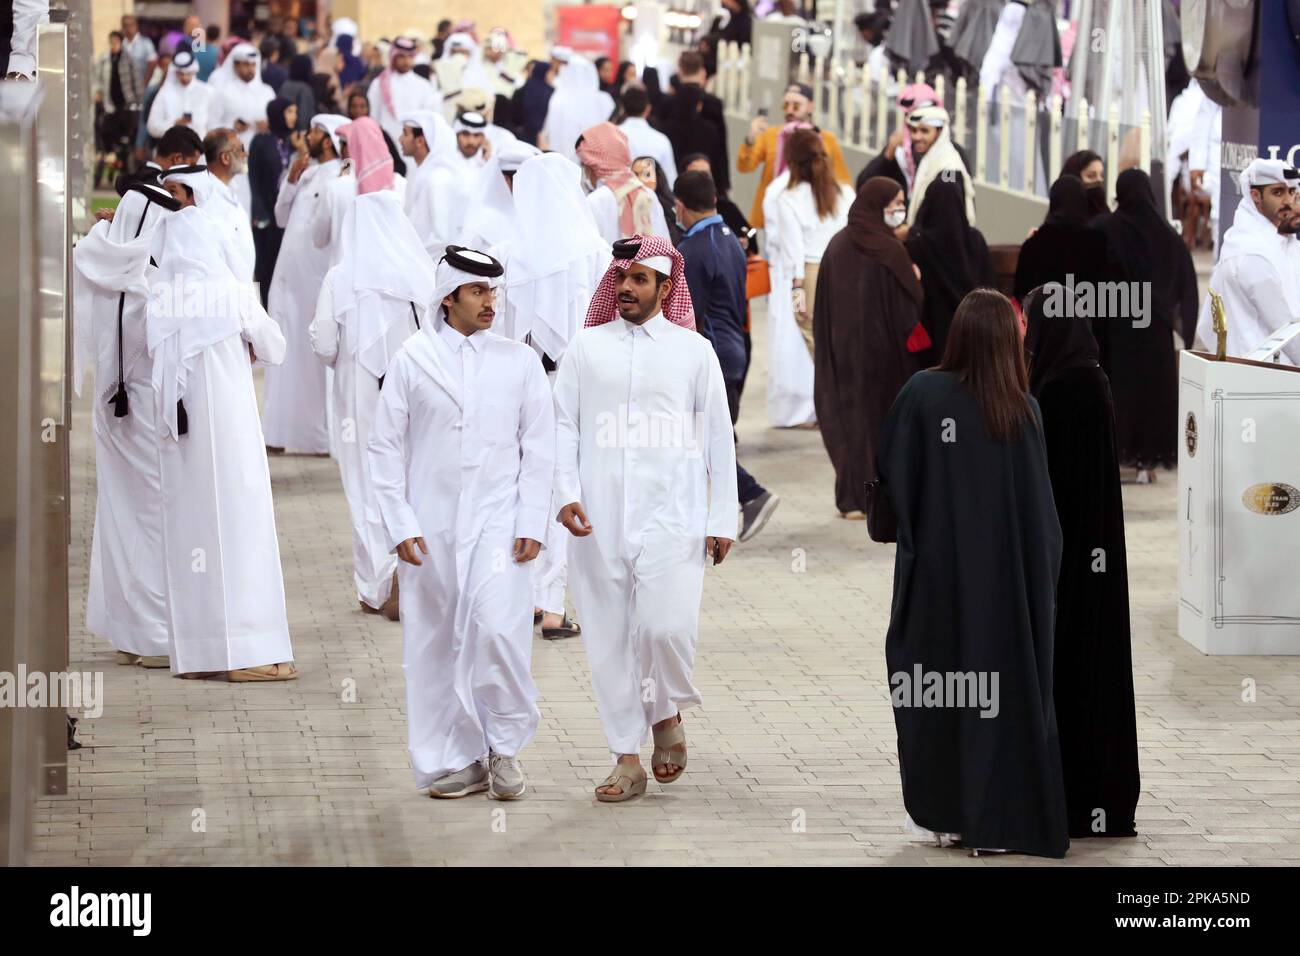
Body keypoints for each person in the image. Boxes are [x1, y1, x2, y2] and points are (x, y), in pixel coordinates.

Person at [877, 287, 1069, 858]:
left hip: (938, 582)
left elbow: (891, 479)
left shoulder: (922, 394)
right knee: (1001, 696)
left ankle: (945, 812)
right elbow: (1043, 519)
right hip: (1005, 592)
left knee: (937, 693)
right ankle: (999, 820)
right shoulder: (1022, 409)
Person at [553, 236, 737, 802]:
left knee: (664, 628)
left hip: (673, 514)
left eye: (640, 278)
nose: (626, 287)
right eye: (621, 277)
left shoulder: (693, 351)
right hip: (598, 516)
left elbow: (719, 436)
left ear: (666, 286)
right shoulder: (585, 348)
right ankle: (625, 757)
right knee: (609, 638)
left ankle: (665, 715)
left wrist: (722, 514)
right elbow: (561, 425)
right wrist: (563, 493)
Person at [367, 243, 553, 800]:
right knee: (440, 644)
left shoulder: (518, 361)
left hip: (500, 524)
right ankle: (460, 757)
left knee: (497, 631)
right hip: (431, 527)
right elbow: (382, 448)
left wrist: (533, 520)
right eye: (477, 291)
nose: (488, 301)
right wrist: (398, 523)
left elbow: (540, 446)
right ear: (448, 298)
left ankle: (504, 748)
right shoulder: (412, 358)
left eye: (492, 290)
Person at [152, 165, 296, 681]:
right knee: (240, 527)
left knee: (192, 533)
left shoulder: (162, 299)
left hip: (181, 438)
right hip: (229, 432)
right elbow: (275, 347)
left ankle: (197, 653)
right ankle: (246, 654)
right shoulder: (230, 293)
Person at [1022, 283, 1140, 841]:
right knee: (1097, 669)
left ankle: (1074, 799)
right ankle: (1103, 799)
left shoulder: (1063, 387)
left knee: (1071, 668)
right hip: (1096, 558)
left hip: (1068, 557)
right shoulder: (1089, 375)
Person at [310, 123, 428, 619]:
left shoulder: (341, 277)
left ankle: (375, 584)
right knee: (409, 477)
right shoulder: (418, 272)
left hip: (358, 397)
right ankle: (414, 574)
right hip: (411, 391)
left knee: (364, 481)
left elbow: (324, 343)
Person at [73, 176, 182, 669]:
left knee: (118, 515)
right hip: (147, 407)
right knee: (155, 516)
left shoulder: (98, 258)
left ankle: (127, 629)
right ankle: (156, 633)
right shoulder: (157, 277)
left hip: (108, 405)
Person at [676, 170, 780, 542]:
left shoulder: (693, 249)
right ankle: (747, 497)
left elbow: (691, 314)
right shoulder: (729, 240)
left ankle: (751, 494)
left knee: (700, 437)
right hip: (734, 349)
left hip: (714, 355)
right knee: (706, 436)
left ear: (680, 206)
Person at [814, 177, 926, 519]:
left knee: (851, 419)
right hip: (885, 357)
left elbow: (822, 307)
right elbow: (910, 308)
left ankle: (853, 497)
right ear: (879, 207)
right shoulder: (891, 251)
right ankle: (882, 496)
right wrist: (915, 278)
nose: (898, 210)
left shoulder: (836, 246)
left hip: (843, 353)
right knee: (882, 421)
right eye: (894, 203)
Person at [1094, 169, 1199, 478]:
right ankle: (1147, 461)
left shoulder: (1105, 229)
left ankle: (1118, 455)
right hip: (1156, 333)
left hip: (1118, 331)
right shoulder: (1168, 235)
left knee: (1120, 393)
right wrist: (1186, 333)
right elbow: (1187, 287)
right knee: (1152, 396)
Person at [261, 113, 348, 457]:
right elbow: (281, 218)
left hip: (314, 282)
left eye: (313, 132)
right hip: (288, 281)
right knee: (284, 356)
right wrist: (292, 181)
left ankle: (320, 438)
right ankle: (279, 430)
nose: (306, 136)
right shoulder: (307, 172)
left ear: (327, 140)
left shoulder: (341, 178)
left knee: (313, 360)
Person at [1195, 159, 1300, 363]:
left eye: (1291, 192)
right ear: (1255, 196)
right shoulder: (1252, 252)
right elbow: (1285, 331)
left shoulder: (1278, 242)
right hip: (1259, 374)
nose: (1287, 201)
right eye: (1278, 192)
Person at [772, 129, 855, 356]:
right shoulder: (846, 193)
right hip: (848, 272)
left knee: (815, 340)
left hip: (811, 276)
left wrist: (798, 298)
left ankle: (829, 388)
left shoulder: (788, 199)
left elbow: (794, 253)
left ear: (790, 161)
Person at [737, 83, 850, 228]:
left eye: (796, 106)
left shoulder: (827, 140)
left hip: (811, 214)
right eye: (785, 106)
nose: (790, 111)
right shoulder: (771, 135)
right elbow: (745, 166)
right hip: (775, 213)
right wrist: (750, 139)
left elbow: (842, 180)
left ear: (810, 107)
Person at [905, 177, 994, 360]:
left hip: (931, 348)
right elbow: (991, 285)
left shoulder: (917, 247)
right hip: (974, 344)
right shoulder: (975, 240)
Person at [1013, 176, 1110, 303]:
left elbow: (1021, 291)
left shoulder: (1034, 245)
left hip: (1045, 320)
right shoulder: (1097, 242)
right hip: (1087, 319)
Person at [576, 122, 671, 243]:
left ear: (593, 164)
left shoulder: (595, 202)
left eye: (585, 164)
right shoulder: (648, 194)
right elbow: (665, 248)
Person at [651, 51, 730, 196]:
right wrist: (723, 183)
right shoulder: (713, 103)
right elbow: (721, 146)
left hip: (674, 173)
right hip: (705, 173)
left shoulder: (667, 103)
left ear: (680, 70)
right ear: (701, 70)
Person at [248, 98, 297, 307]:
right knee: (265, 267)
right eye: (289, 112)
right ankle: (264, 310)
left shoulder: (291, 142)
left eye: (294, 111)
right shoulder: (261, 141)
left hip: (286, 215)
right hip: (266, 215)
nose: (293, 116)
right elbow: (254, 179)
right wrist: (259, 213)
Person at [398, 109, 462, 261]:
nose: (400, 139)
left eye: (405, 134)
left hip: (428, 268)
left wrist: (412, 260)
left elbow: (442, 238)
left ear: (420, 141)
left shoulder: (438, 179)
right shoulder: (423, 174)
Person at [200, 128, 257, 282]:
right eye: (240, 149)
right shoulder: (208, 199)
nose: (246, 154)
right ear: (225, 158)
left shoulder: (228, 190)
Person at [369, 36, 442, 144]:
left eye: (410, 57)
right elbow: (373, 116)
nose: (406, 61)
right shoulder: (379, 83)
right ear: (393, 57)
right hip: (385, 143)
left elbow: (430, 118)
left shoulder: (424, 86)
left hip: (414, 146)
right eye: (401, 57)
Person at [93, 30, 145, 184]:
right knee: (106, 135)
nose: (114, 45)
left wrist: (137, 101)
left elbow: (136, 81)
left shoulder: (129, 59)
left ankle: (124, 165)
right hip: (110, 105)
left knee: (127, 138)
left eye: (116, 41)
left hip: (126, 104)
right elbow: (98, 78)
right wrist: (98, 94)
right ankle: (111, 160)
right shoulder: (104, 59)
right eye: (112, 41)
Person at [540, 54, 613, 161]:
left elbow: (547, 132)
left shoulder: (558, 99)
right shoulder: (604, 100)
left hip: (561, 162)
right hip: (593, 164)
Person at [209, 43, 275, 155]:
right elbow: (210, 124)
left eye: (253, 65)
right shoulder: (222, 91)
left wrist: (269, 125)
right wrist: (231, 127)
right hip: (230, 155)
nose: (250, 69)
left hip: (261, 155)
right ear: (235, 65)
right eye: (246, 64)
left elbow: (277, 123)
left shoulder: (267, 91)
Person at [146, 50, 213, 139]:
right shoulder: (165, 92)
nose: (184, 77)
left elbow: (214, 124)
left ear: (194, 71)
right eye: (180, 74)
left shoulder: (207, 91)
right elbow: (152, 127)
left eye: (188, 73)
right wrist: (174, 125)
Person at [617, 86, 676, 185]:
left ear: (622, 107)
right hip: (652, 196)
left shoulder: (612, 135)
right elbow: (670, 180)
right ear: (648, 108)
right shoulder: (661, 140)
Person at [514, 60, 554, 146]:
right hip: (543, 138)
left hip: (522, 139)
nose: (553, 76)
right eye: (551, 73)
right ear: (544, 73)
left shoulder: (522, 90)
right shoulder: (552, 94)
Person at [1061, 149, 1108, 219]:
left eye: (1101, 175)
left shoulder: (1105, 214)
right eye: (1091, 176)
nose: (1099, 180)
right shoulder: (1061, 219)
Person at [278, 54, 317, 130]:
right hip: (298, 134)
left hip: (283, 130)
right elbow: (304, 118)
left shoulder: (285, 84)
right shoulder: (305, 89)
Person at [120, 13, 158, 90]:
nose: (128, 28)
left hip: (143, 85)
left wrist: (144, 84)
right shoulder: (121, 44)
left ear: (136, 26)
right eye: (125, 26)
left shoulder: (146, 43)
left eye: (131, 25)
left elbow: (152, 64)